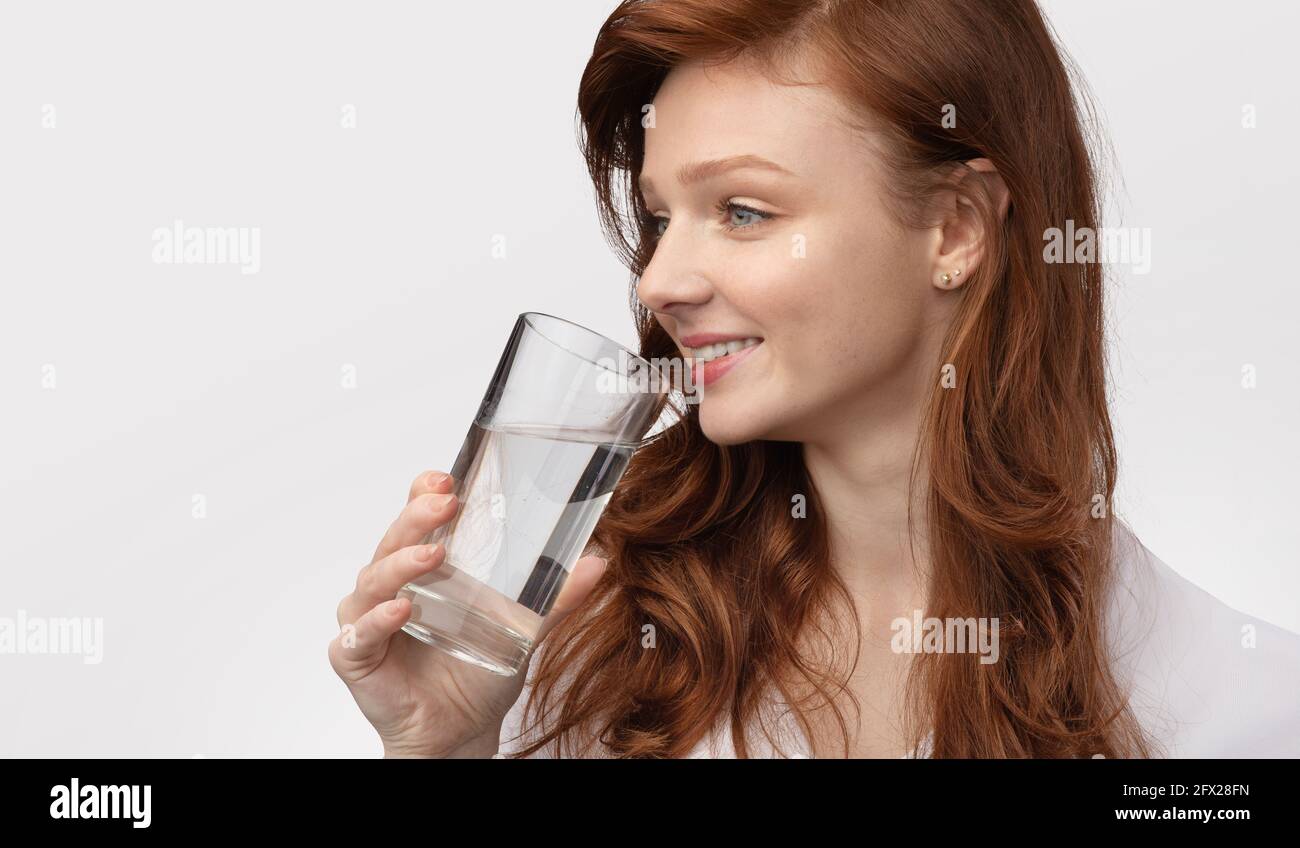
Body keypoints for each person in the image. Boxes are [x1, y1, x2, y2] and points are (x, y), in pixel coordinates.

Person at [329, 0, 1300, 758]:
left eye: (743, 211)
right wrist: (447, 746)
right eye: (661, 217)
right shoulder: (591, 649)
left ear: (956, 228)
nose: (659, 280)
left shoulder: (1233, 710)